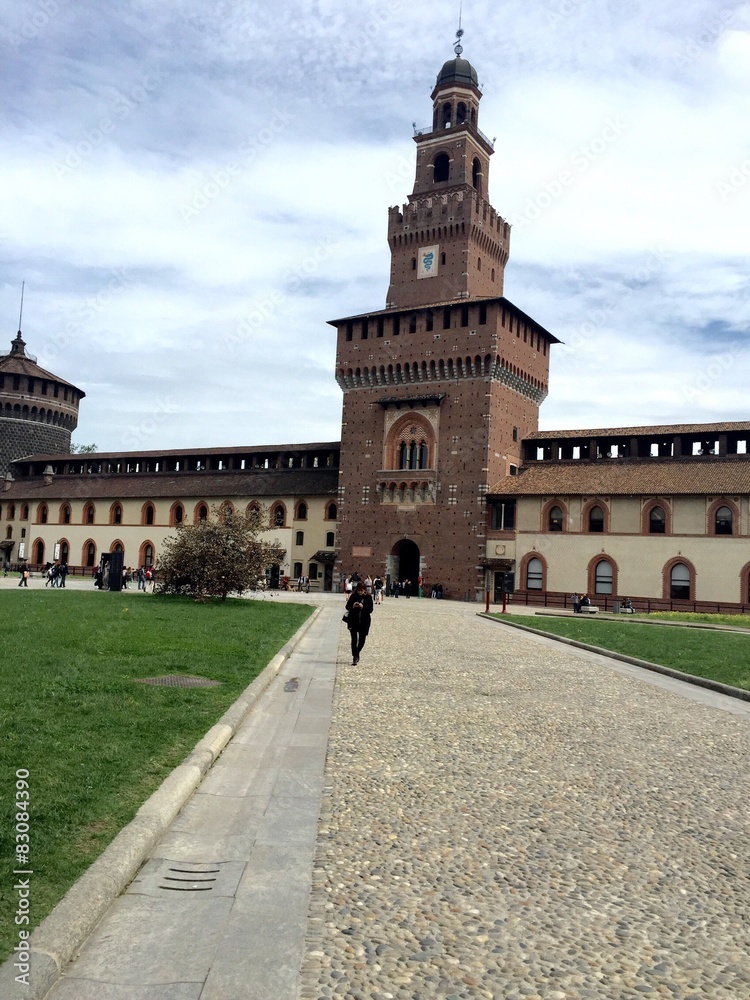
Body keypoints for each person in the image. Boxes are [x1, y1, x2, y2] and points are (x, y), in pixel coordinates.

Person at [345, 581, 373, 665]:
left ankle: (357, 652)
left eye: (361, 590)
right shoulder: (353, 596)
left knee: (362, 640)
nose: (360, 592)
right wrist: (354, 605)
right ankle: (355, 657)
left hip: (364, 621)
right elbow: (347, 607)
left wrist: (363, 607)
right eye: (358, 590)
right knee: (354, 639)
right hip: (353, 620)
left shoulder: (368, 597)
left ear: (364, 590)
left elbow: (370, 610)